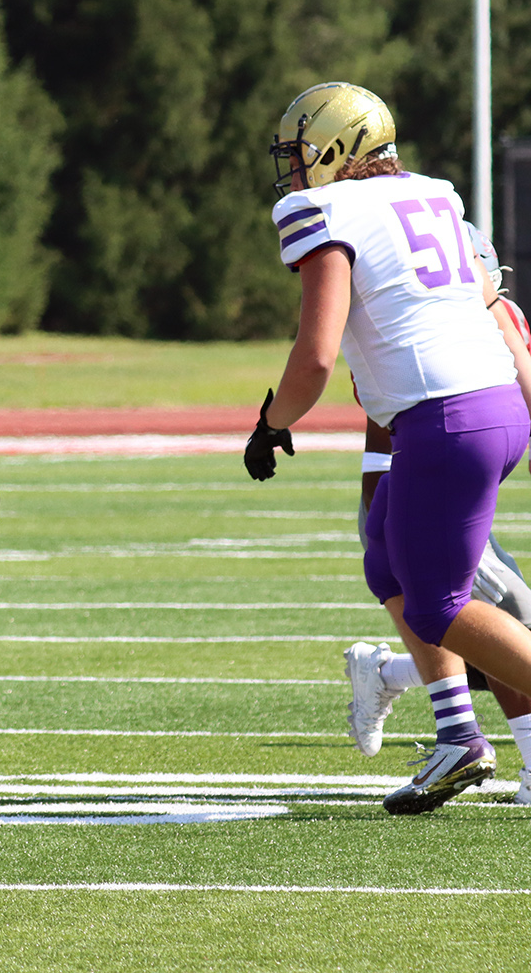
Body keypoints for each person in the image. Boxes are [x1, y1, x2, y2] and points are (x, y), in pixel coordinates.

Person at [247, 81, 531, 814]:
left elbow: (314, 355)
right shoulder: (433, 193)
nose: (293, 168)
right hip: (486, 407)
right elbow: (486, 303)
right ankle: (458, 738)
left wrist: (273, 422)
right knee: (385, 552)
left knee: (440, 606)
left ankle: (475, 737)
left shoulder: (324, 207)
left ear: (338, 148)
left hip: (446, 421)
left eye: (301, 150)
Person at [343, 222, 531, 809]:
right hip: (425, 478)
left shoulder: (490, 316)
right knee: (503, 614)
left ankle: (395, 680)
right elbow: (385, 430)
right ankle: (457, 731)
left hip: (453, 475)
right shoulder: (416, 328)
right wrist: (383, 511)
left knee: (483, 618)